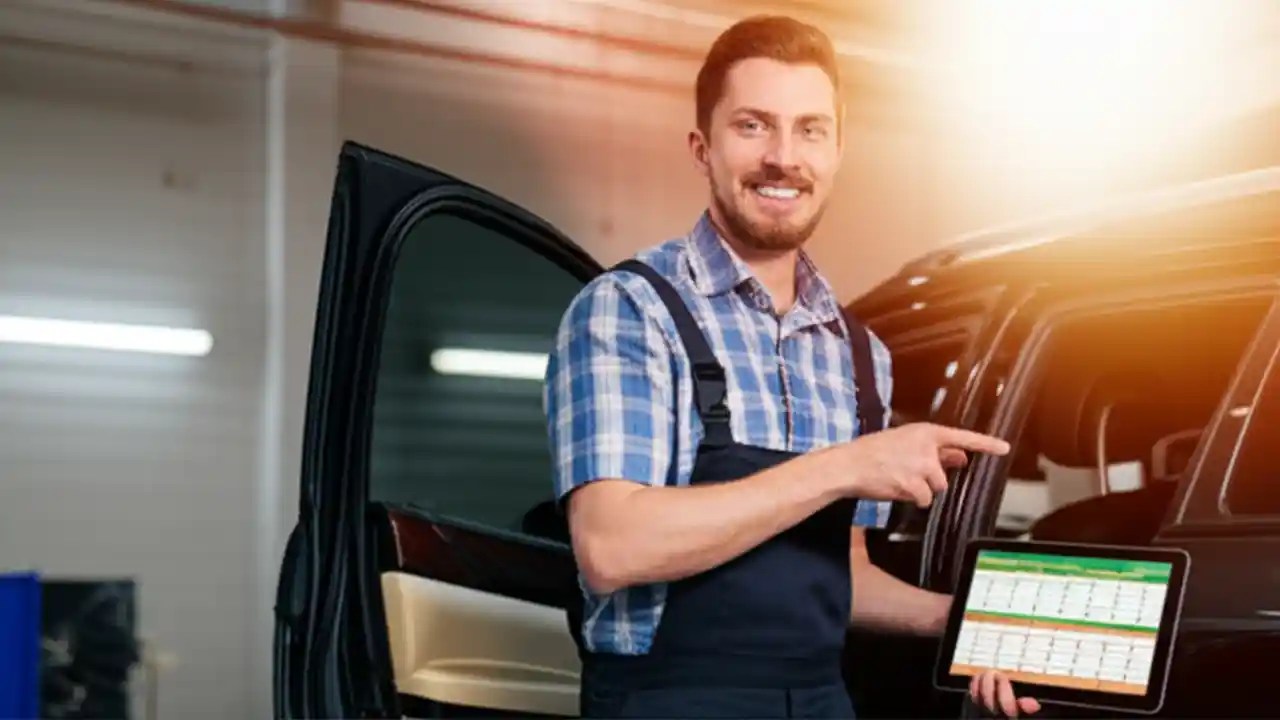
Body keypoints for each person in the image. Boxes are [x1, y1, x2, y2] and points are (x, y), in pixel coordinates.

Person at [543, 14, 1039, 719]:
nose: (784, 156)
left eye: (810, 129)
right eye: (753, 126)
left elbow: (846, 576)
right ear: (702, 148)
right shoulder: (629, 311)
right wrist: (846, 466)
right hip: (670, 703)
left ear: (837, 151)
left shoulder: (860, 356)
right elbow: (613, 546)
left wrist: (968, 625)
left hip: (817, 701)